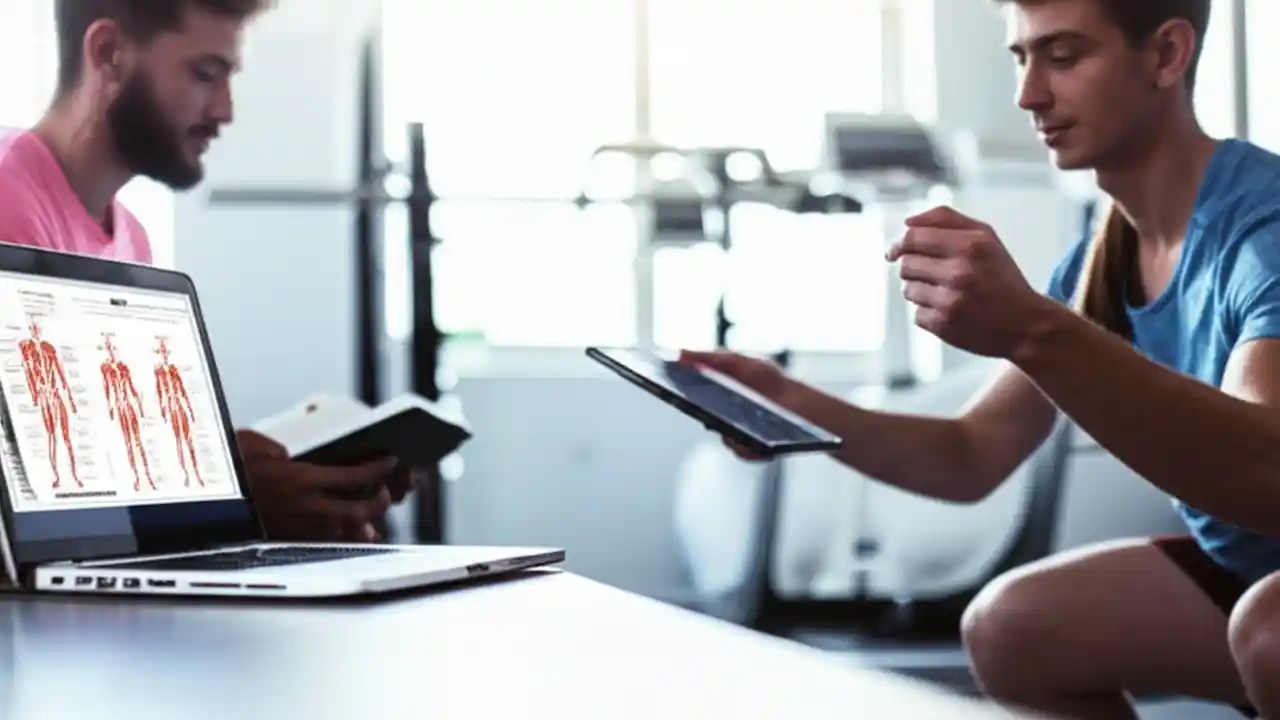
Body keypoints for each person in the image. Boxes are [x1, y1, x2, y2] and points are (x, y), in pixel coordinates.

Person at [684, 0, 1280, 717]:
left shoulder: (1261, 227)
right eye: (1021, 58)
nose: (1030, 95)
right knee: (1012, 629)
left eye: (1063, 57)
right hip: (1250, 570)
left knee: (1270, 633)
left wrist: (1029, 327)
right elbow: (969, 456)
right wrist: (791, 404)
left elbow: (1268, 478)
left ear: (1165, 56)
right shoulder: (1103, 259)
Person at [0, 0, 408, 543]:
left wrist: (260, 478)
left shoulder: (131, 240)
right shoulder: (8, 203)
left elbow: (119, 474)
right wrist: (229, 501)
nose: (224, 110)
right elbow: (40, 514)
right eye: (205, 74)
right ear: (109, 53)